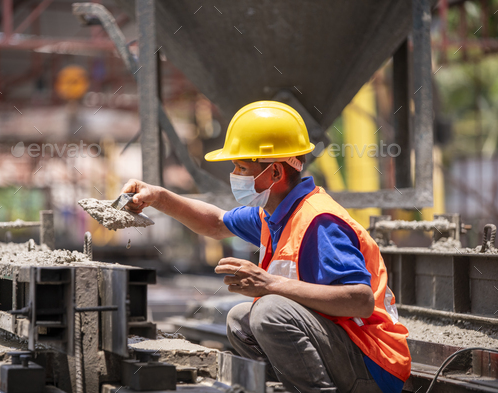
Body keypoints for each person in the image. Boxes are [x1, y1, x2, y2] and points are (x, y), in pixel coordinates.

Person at [122, 101, 411, 393]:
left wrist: (269, 283)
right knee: (239, 318)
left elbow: (360, 300)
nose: (235, 174)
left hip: (372, 364)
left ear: (274, 173)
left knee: (269, 310)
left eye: (242, 167)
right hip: (343, 350)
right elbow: (215, 223)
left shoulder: (319, 220)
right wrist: (158, 197)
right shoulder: (273, 214)